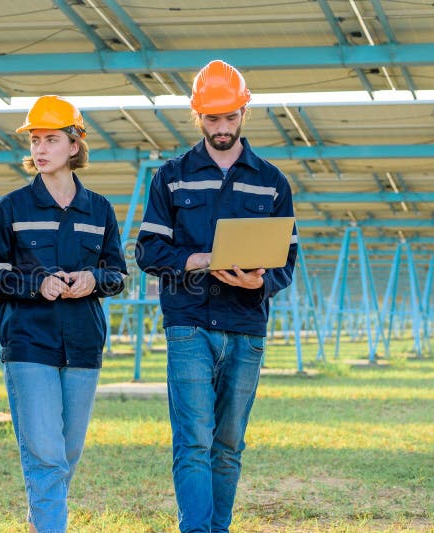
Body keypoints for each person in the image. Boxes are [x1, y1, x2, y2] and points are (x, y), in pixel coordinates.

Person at [136, 60, 298, 533]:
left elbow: (287, 260)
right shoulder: (172, 177)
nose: (221, 127)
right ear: (197, 116)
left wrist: (260, 283)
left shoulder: (272, 182)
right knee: (192, 443)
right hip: (189, 323)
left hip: (246, 326)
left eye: (229, 117)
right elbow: (148, 249)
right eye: (212, 118)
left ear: (244, 112)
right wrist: (201, 259)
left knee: (228, 445)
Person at [0, 95, 127, 533]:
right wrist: (35, 283)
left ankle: (41, 521)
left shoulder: (99, 211)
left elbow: (118, 273)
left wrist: (93, 280)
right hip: (29, 345)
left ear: (75, 145)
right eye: (35, 140)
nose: (40, 149)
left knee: (66, 454)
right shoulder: (13, 208)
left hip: (82, 346)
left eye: (51, 139)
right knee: (46, 454)